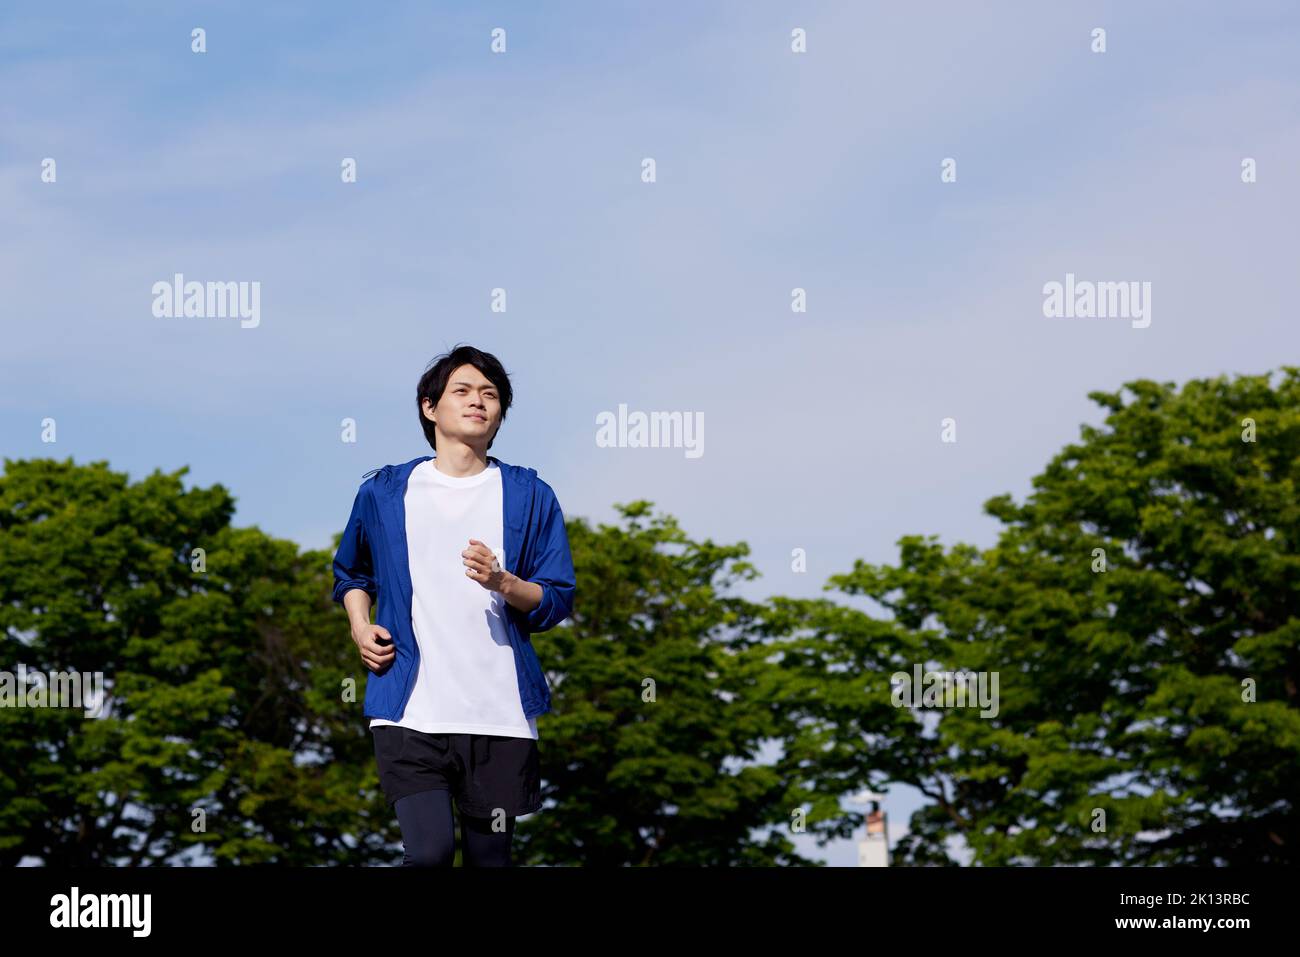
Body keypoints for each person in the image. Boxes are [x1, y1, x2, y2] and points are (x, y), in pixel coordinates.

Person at [332, 343, 576, 866]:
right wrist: (359, 625)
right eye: (462, 391)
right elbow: (352, 572)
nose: (478, 402)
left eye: (490, 394)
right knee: (430, 854)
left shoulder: (532, 496)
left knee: (490, 862)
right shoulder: (385, 491)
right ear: (429, 407)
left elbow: (556, 598)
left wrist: (503, 581)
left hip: (500, 714)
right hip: (409, 708)